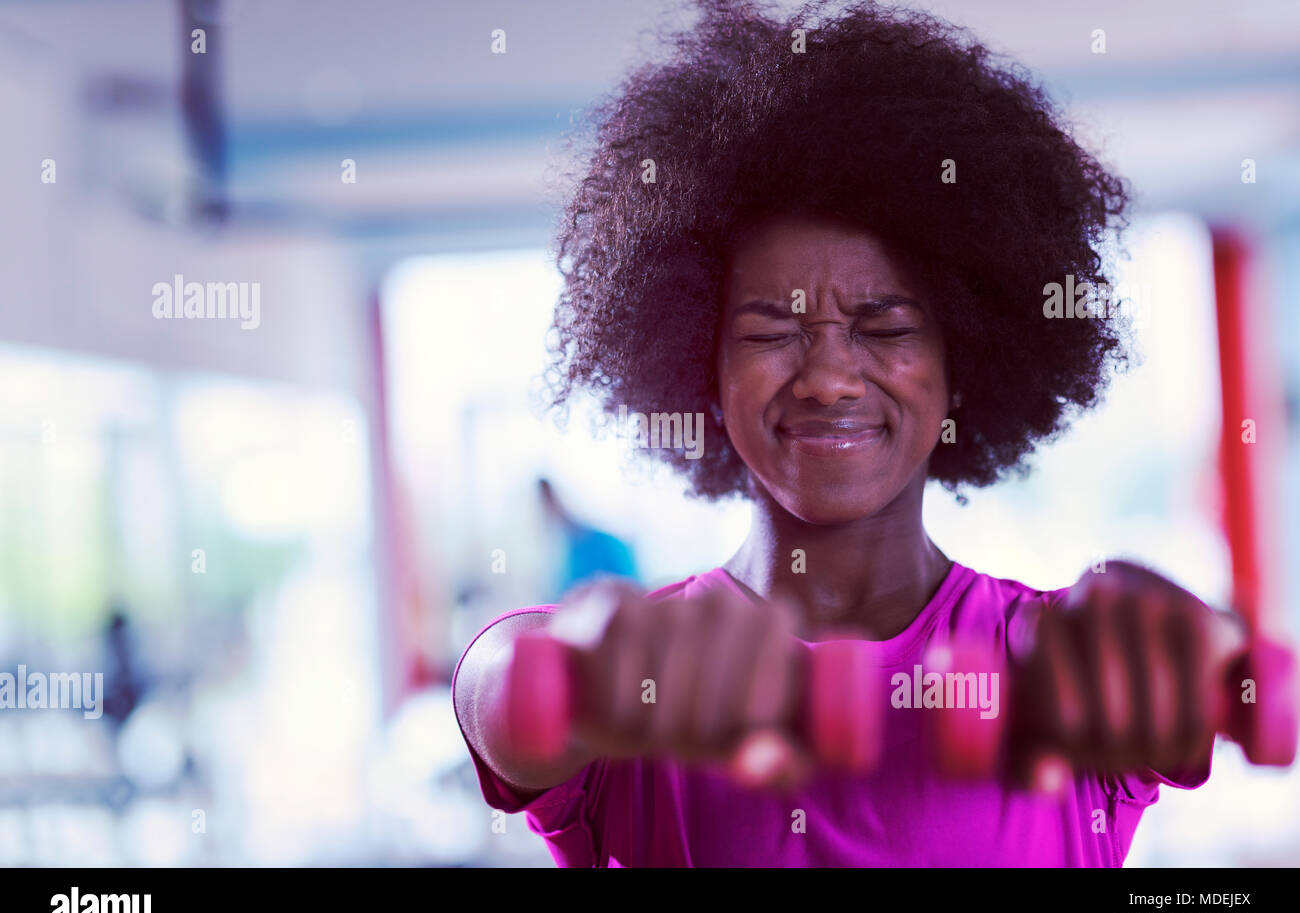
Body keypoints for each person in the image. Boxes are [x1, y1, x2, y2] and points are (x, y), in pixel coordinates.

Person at [451, 0, 1257, 866]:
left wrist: (1200, 648)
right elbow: (497, 690)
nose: (830, 377)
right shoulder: (633, 689)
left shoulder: (1065, 670)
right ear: (700, 368)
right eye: (770, 329)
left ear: (962, 363)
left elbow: (1218, 675)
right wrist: (573, 671)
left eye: (886, 326)